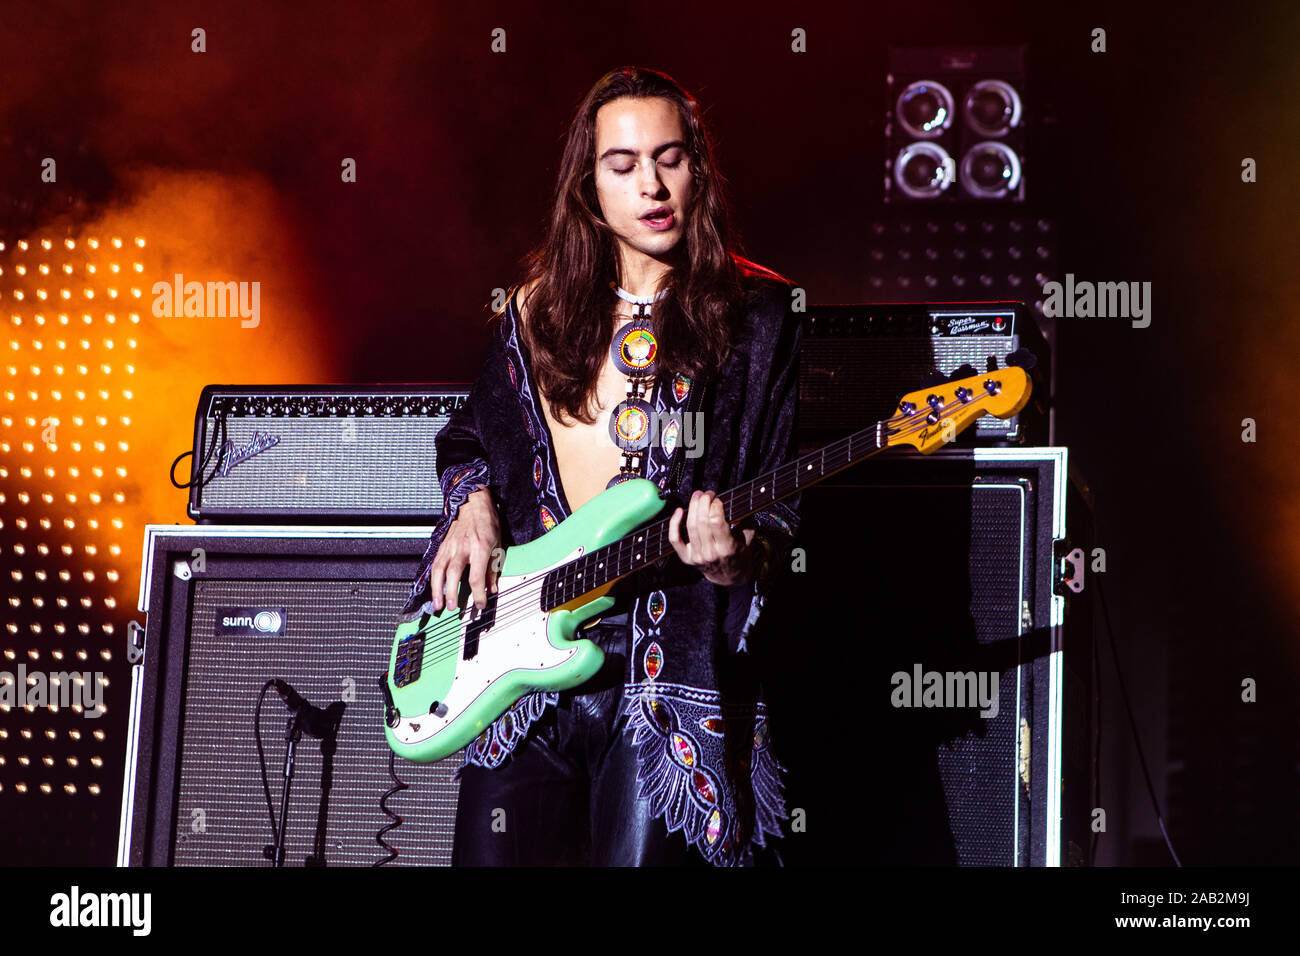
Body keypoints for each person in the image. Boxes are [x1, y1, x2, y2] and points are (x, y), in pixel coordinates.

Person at [397, 66, 803, 866]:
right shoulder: (536, 311)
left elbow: (780, 509)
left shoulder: (757, 317)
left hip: (662, 673)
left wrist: (735, 561)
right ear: (589, 187)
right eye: (623, 165)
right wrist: (471, 505)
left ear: (699, 170)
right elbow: (469, 435)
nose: (652, 185)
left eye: (670, 159)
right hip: (519, 666)